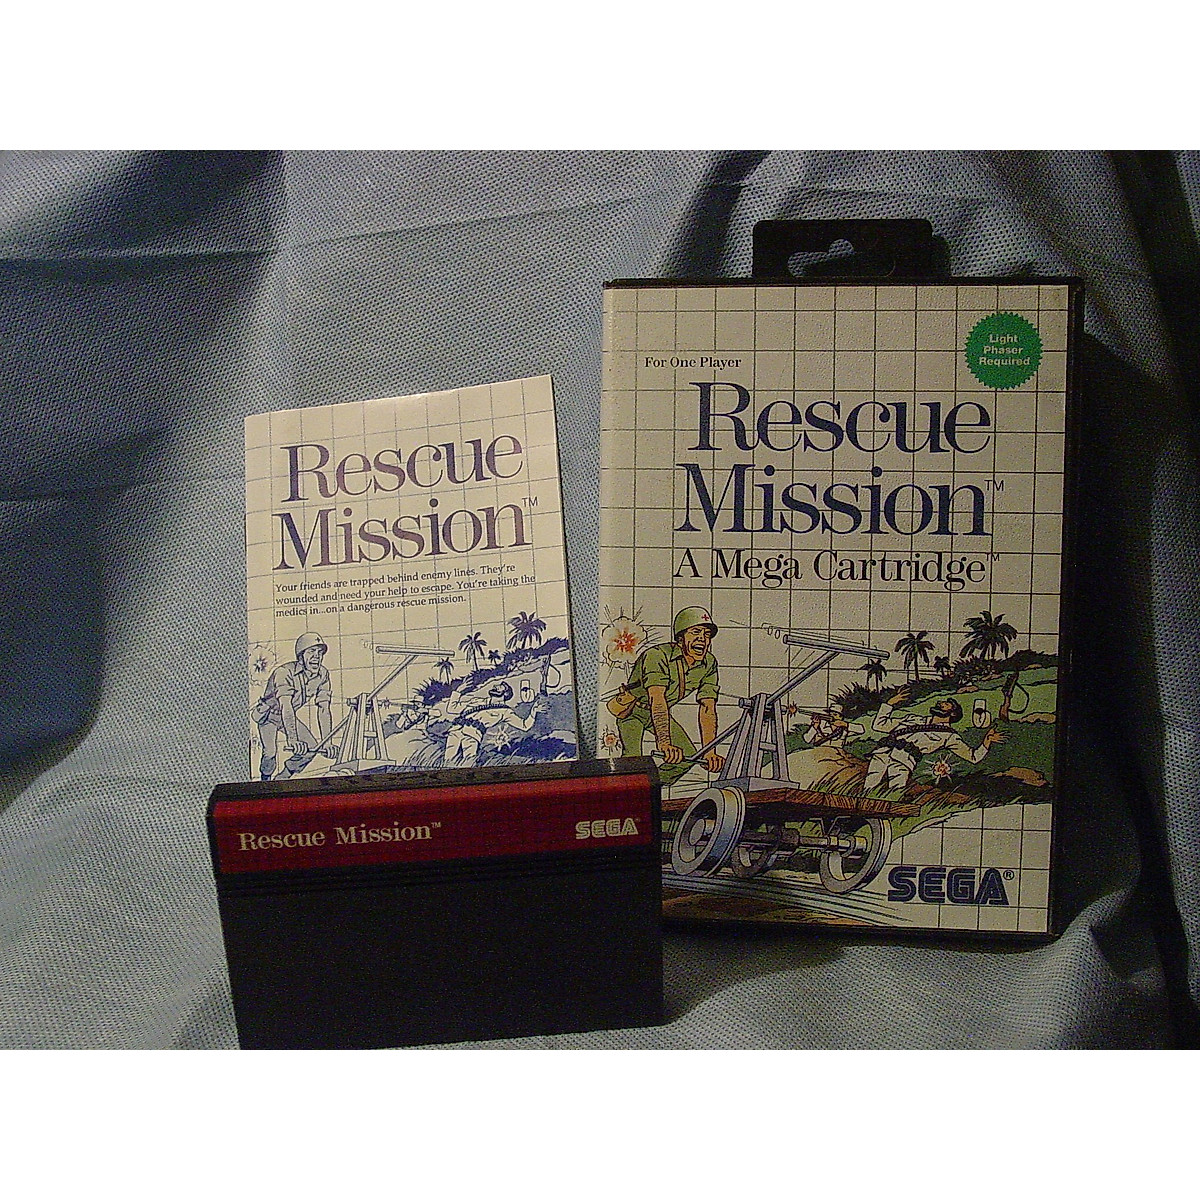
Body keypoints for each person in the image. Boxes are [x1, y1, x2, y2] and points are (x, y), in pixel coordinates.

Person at [615, 606, 726, 786]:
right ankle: (630, 790)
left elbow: (708, 707)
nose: (702, 639)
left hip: (660, 713)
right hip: (633, 711)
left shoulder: (709, 663)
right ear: (681, 637)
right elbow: (657, 699)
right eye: (695, 632)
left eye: (706, 634)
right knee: (632, 761)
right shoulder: (657, 655)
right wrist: (664, 744)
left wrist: (709, 752)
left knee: (687, 758)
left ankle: (649, 788)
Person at [864, 687, 1004, 794]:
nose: (941, 703)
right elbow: (879, 725)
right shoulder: (913, 719)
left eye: (946, 704)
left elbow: (973, 757)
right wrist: (889, 704)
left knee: (894, 793)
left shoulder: (949, 736)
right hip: (882, 753)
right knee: (868, 789)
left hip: (903, 761)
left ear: (952, 713)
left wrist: (987, 741)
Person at [253, 632, 333, 780]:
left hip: (287, 716)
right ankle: (265, 780)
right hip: (269, 715)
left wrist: (327, 743)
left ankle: (283, 778)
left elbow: (324, 709)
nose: (317, 656)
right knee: (270, 753)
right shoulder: (284, 672)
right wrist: (293, 740)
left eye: (320, 652)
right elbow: (286, 706)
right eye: (312, 651)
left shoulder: (323, 675)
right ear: (301, 657)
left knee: (311, 749)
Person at [442, 681, 539, 767]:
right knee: (448, 760)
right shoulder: (477, 701)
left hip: (472, 735)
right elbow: (452, 709)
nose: (495, 686)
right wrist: (458, 691)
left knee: (468, 762)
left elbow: (524, 726)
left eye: (500, 687)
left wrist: (533, 711)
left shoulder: (505, 711)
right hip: (455, 730)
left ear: (505, 693)